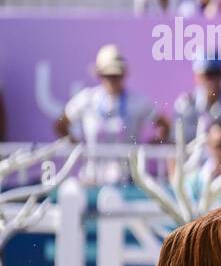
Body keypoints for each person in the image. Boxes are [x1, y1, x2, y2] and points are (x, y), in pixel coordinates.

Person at [55, 45, 169, 185]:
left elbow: (164, 125)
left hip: (128, 180)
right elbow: (60, 124)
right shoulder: (87, 99)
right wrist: (76, 146)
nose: (113, 80)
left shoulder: (138, 101)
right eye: (108, 75)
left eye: (117, 75)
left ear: (123, 75)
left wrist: (149, 147)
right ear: (99, 75)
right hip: (93, 180)